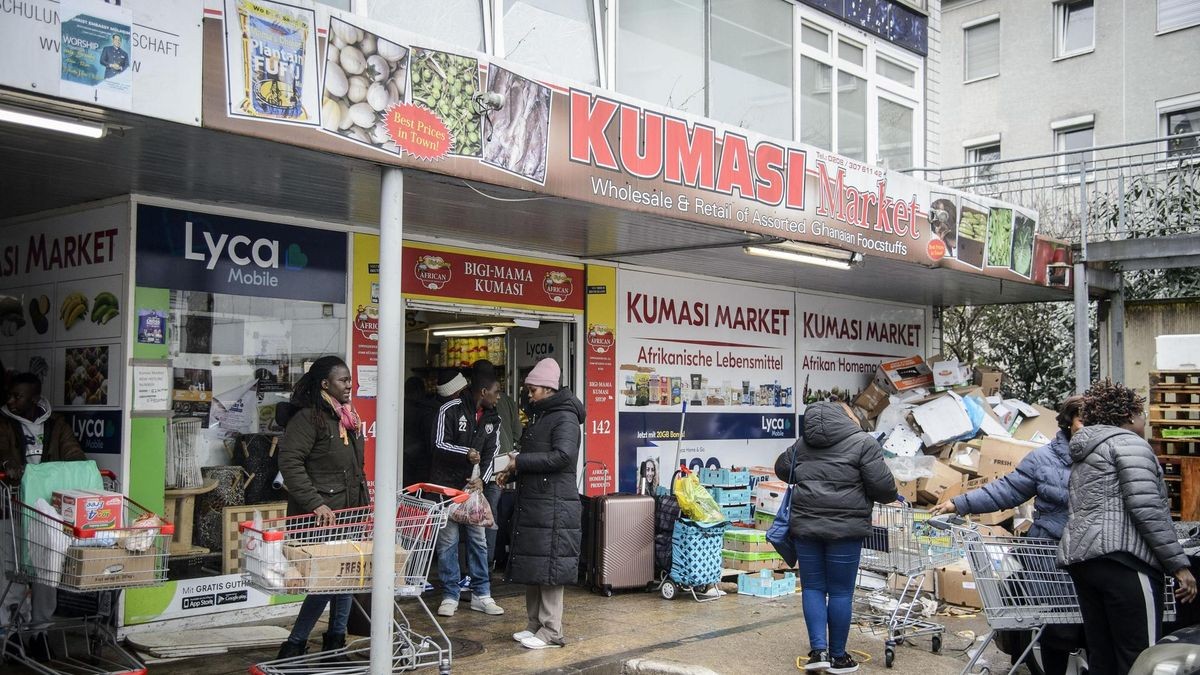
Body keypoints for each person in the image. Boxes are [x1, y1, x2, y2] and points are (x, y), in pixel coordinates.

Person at [931, 396, 1085, 675]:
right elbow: (1007, 490)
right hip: (1050, 557)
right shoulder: (1044, 460)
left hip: (1091, 555)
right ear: (1068, 421)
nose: (1088, 427)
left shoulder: (1106, 457)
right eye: (1082, 419)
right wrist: (960, 503)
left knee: (1094, 628)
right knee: (1057, 629)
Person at [1059, 379, 1198, 675]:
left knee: (1103, 657)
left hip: (1085, 562)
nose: (1144, 420)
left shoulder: (1087, 451)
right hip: (1125, 561)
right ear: (1128, 415)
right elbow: (1147, 508)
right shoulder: (1131, 444)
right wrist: (1179, 566)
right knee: (1141, 659)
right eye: (1141, 413)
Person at [775, 401, 897, 674]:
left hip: (806, 529)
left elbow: (782, 469)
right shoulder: (864, 443)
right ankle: (839, 657)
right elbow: (884, 488)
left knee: (813, 588)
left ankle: (818, 652)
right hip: (846, 531)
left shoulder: (802, 444)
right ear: (845, 416)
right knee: (841, 592)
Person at [275, 356, 368, 660]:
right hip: (322, 518)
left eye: (350, 380)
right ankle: (294, 644)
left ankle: (335, 643)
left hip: (349, 512)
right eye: (343, 380)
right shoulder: (308, 418)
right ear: (325, 384)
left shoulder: (346, 417)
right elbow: (290, 463)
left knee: (346, 578)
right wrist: (316, 504)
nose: (349, 385)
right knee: (327, 581)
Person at [0, 372, 87, 660]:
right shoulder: (3, 422)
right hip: (12, 509)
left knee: (46, 575)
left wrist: (78, 469)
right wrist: (8, 464)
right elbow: (2, 450)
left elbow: (73, 455)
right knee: (11, 573)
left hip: (45, 512)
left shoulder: (55, 424)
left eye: (18, 396)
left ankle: (40, 632)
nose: (11, 400)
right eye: (10, 395)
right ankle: (11, 631)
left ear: (35, 398)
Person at [501, 358, 584, 650]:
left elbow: (563, 457)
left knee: (549, 567)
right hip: (538, 501)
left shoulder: (565, 418)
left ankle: (551, 631)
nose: (529, 394)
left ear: (548, 389)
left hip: (555, 504)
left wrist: (519, 461)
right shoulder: (541, 415)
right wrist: (513, 467)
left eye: (533, 389)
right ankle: (534, 624)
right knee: (534, 565)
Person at [430, 373, 504, 618]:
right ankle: (450, 594)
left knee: (478, 540)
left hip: (473, 488)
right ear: (484, 391)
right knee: (448, 542)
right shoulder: (450, 409)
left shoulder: (494, 418)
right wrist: (465, 452)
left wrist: (483, 479)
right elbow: (439, 443)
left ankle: (481, 594)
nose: (499, 396)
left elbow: (492, 453)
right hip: (447, 486)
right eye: (497, 391)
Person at [472, 359, 521, 569]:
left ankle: (479, 564)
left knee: (474, 516)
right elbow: (518, 432)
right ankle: (489, 561)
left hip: (478, 467)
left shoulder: (478, 403)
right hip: (502, 465)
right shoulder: (508, 401)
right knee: (490, 514)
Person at [402, 376, 436, 487]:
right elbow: (429, 438)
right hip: (420, 459)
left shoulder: (401, 407)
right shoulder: (425, 410)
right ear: (421, 391)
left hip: (403, 456)